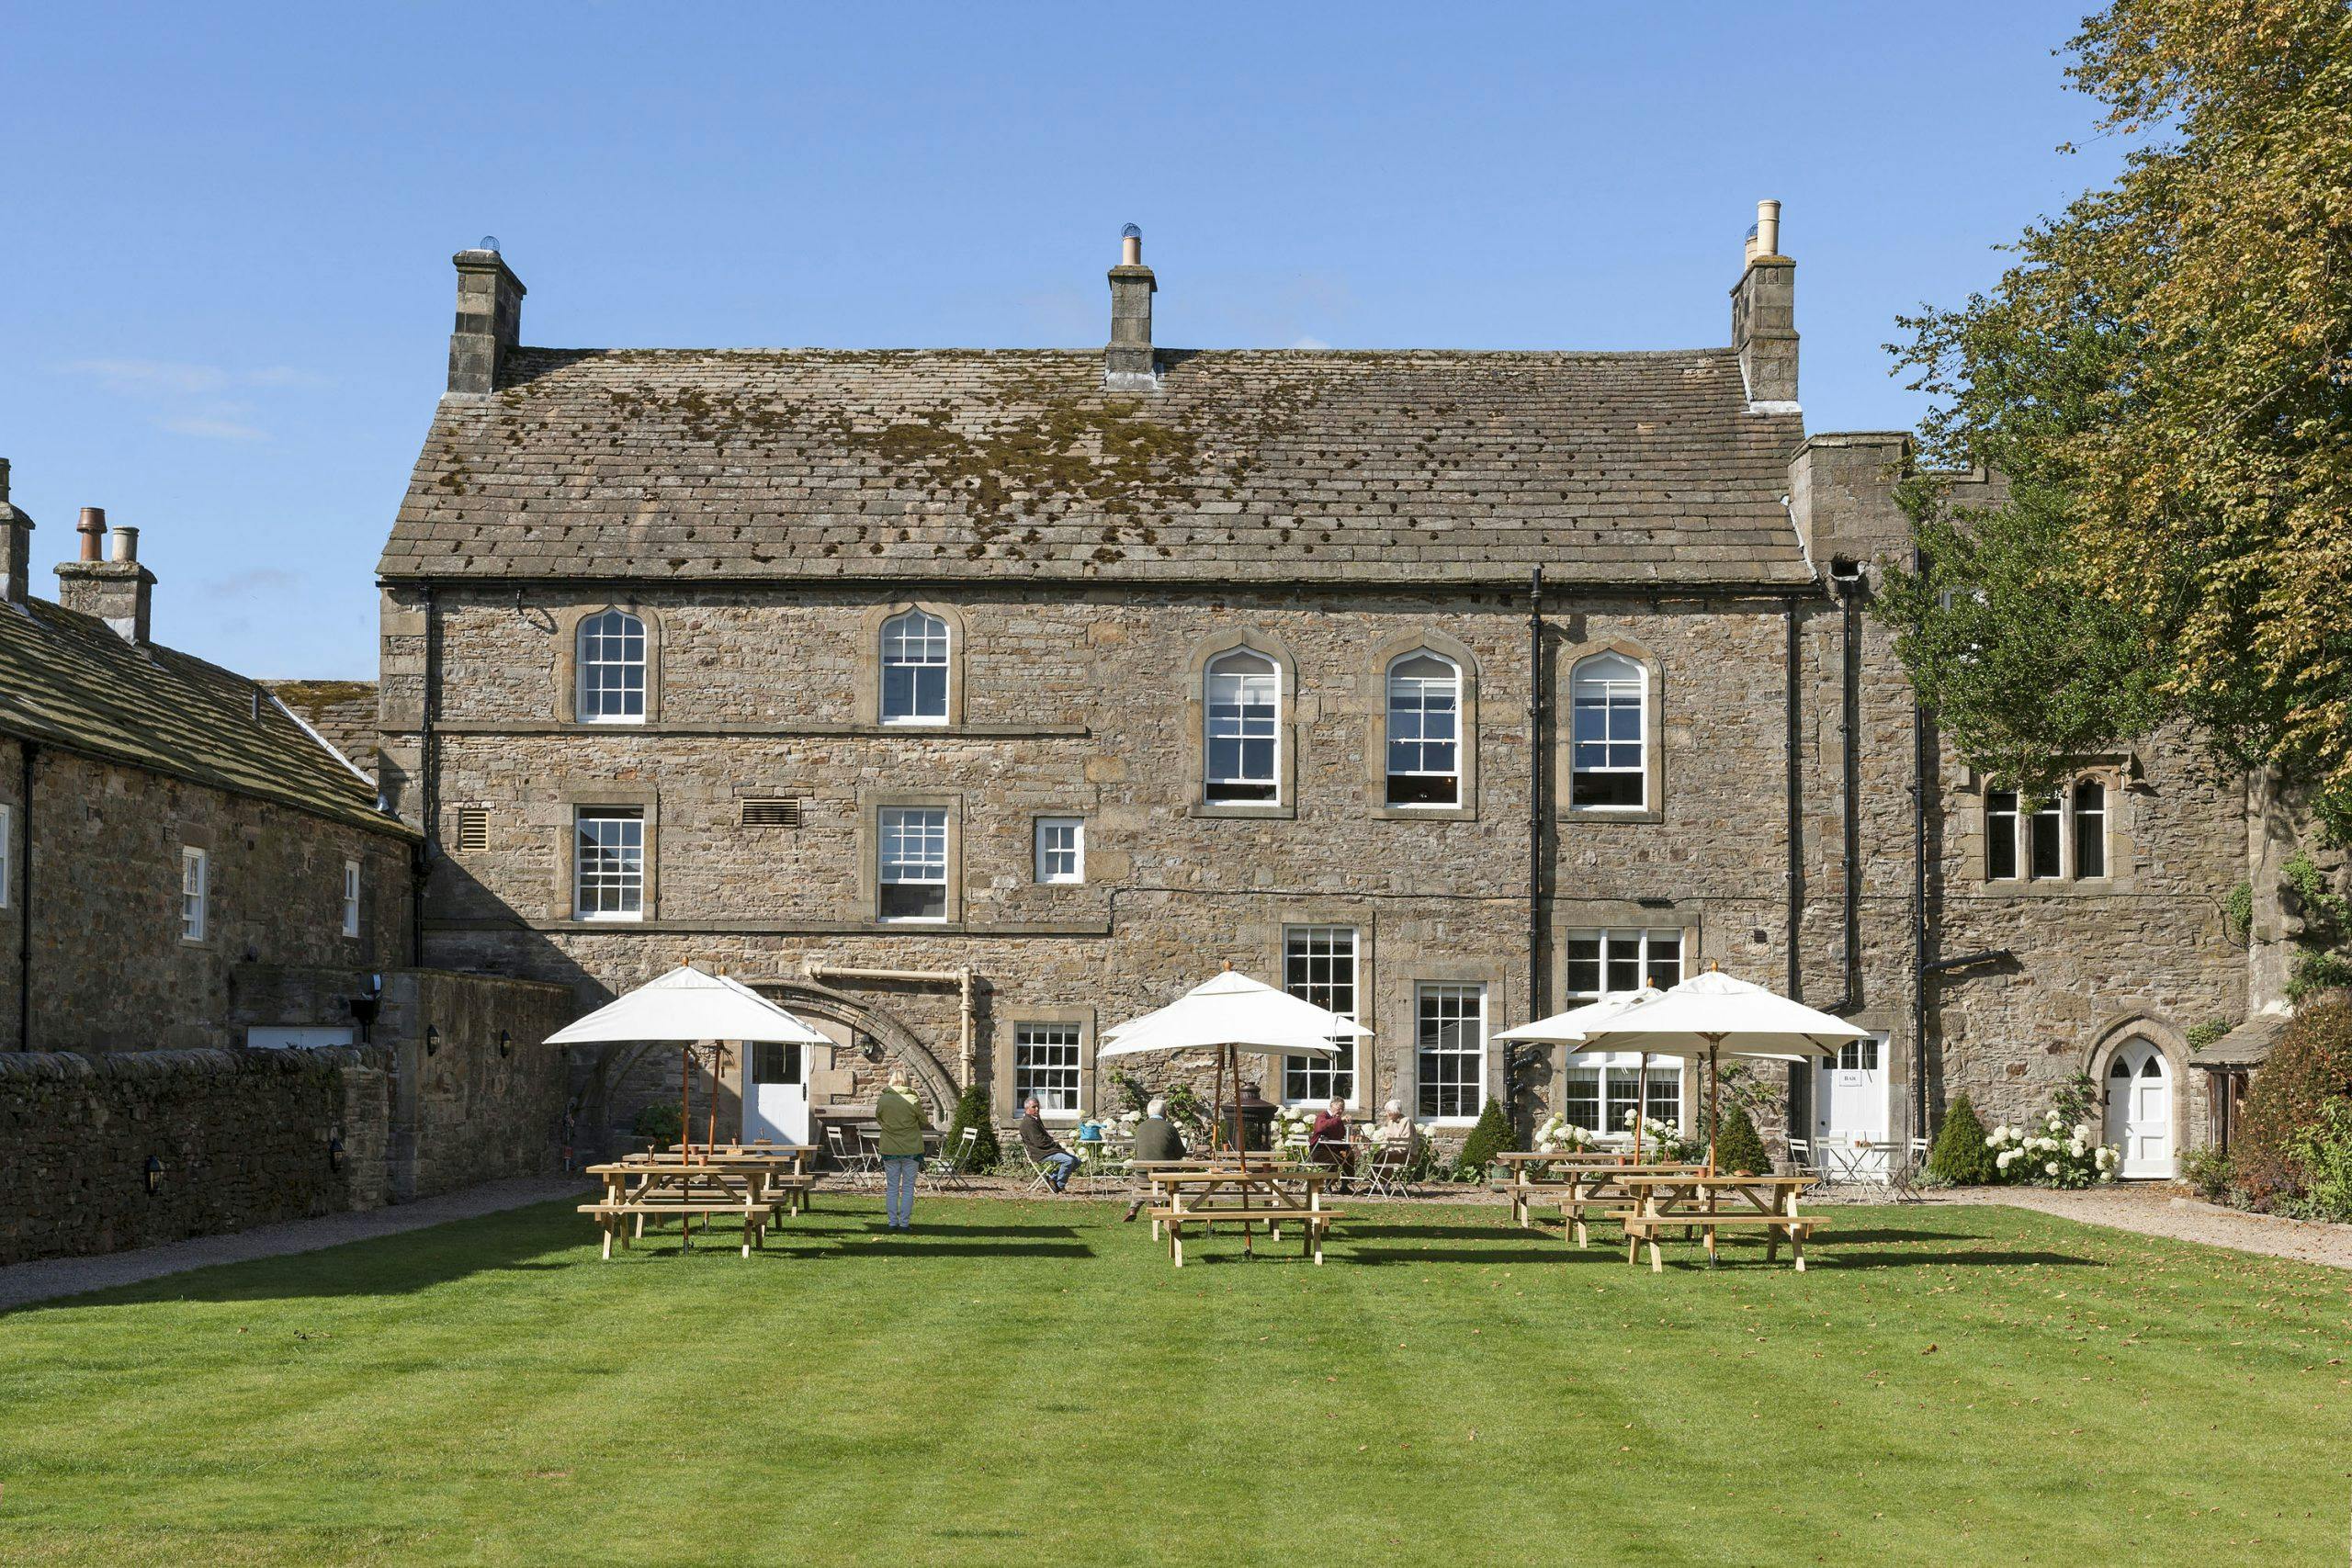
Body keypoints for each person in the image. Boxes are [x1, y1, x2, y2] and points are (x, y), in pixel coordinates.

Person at [875, 1068, 926, 1232]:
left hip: (890, 1148)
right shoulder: (913, 1098)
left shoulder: (883, 1099)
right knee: (908, 1188)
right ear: (906, 1081)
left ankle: (892, 1222)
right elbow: (924, 1120)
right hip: (911, 1147)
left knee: (892, 1188)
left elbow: (879, 1118)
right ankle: (904, 1223)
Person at [1123, 1097, 1187, 1222]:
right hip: (1165, 1174)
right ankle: (1167, 1210)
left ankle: (1133, 1208)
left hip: (1142, 1174)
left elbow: (1137, 1150)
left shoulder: (1140, 1128)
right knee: (1171, 1184)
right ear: (1164, 1113)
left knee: (1143, 1187)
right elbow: (1180, 1153)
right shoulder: (1170, 1128)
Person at [1019, 1096, 1080, 1192]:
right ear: (1026, 1109)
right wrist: (1055, 1145)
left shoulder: (1035, 1119)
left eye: (1038, 1106)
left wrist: (1054, 1145)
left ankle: (1052, 1178)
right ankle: (1059, 1185)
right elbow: (1039, 1142)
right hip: (1040, 1152)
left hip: (1047, 1150)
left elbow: (1043, 1139)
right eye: (1034, 1107)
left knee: (1077, 1161)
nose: (1037, 1109)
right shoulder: (1028, 1123)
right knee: (1068, 1160)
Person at [1309, 1096, 1352, 1169]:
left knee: (1350, 1156)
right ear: (1332, 1106)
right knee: (1339, 1160)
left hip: (1333, 1149)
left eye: (1342, 1109)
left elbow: (1341, 1136)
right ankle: (1331, 1177)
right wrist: (1339, 1120)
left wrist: (1347, 1149)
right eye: (1339, 1108)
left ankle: (1348, 1178)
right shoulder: (1322, 1116)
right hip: (1319, 1151)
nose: (1341, 1111)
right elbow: (1321, 1127)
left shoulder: (1337, 1119)